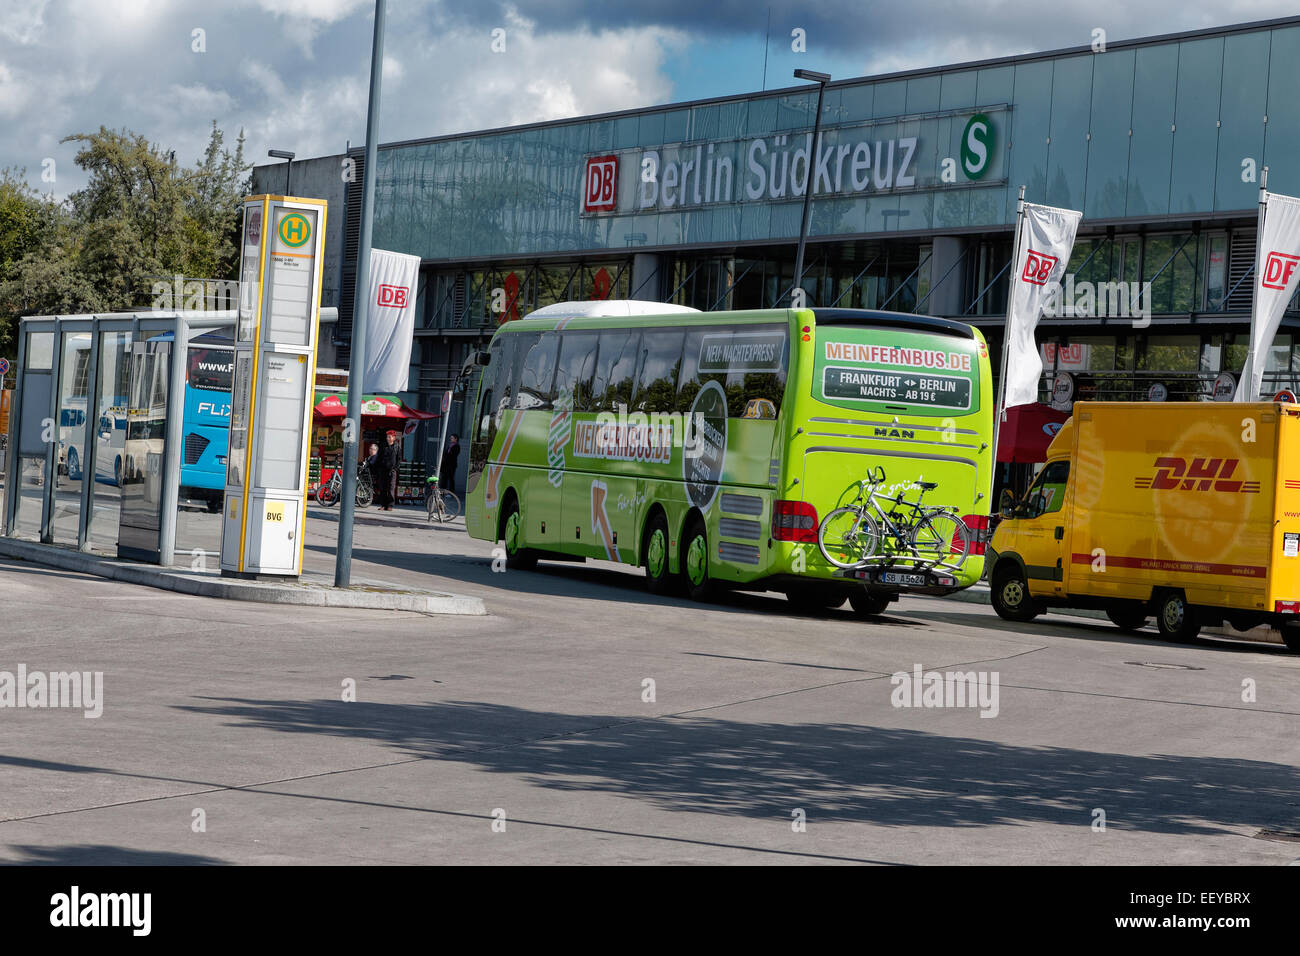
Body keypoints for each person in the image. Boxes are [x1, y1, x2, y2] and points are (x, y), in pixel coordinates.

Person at [377, 430, 401, 510]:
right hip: (383, 469)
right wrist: (379, 467)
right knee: (382, 488)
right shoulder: (383, 446)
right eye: (387, 437)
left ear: (393, 438)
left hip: (392, 470)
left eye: (389, 437)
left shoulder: (397, 447)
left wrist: (395, 468)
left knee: (391, 488)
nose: (388, 438)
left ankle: (390, 505)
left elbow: (399, 459)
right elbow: (379, 457)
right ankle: (383, 505)